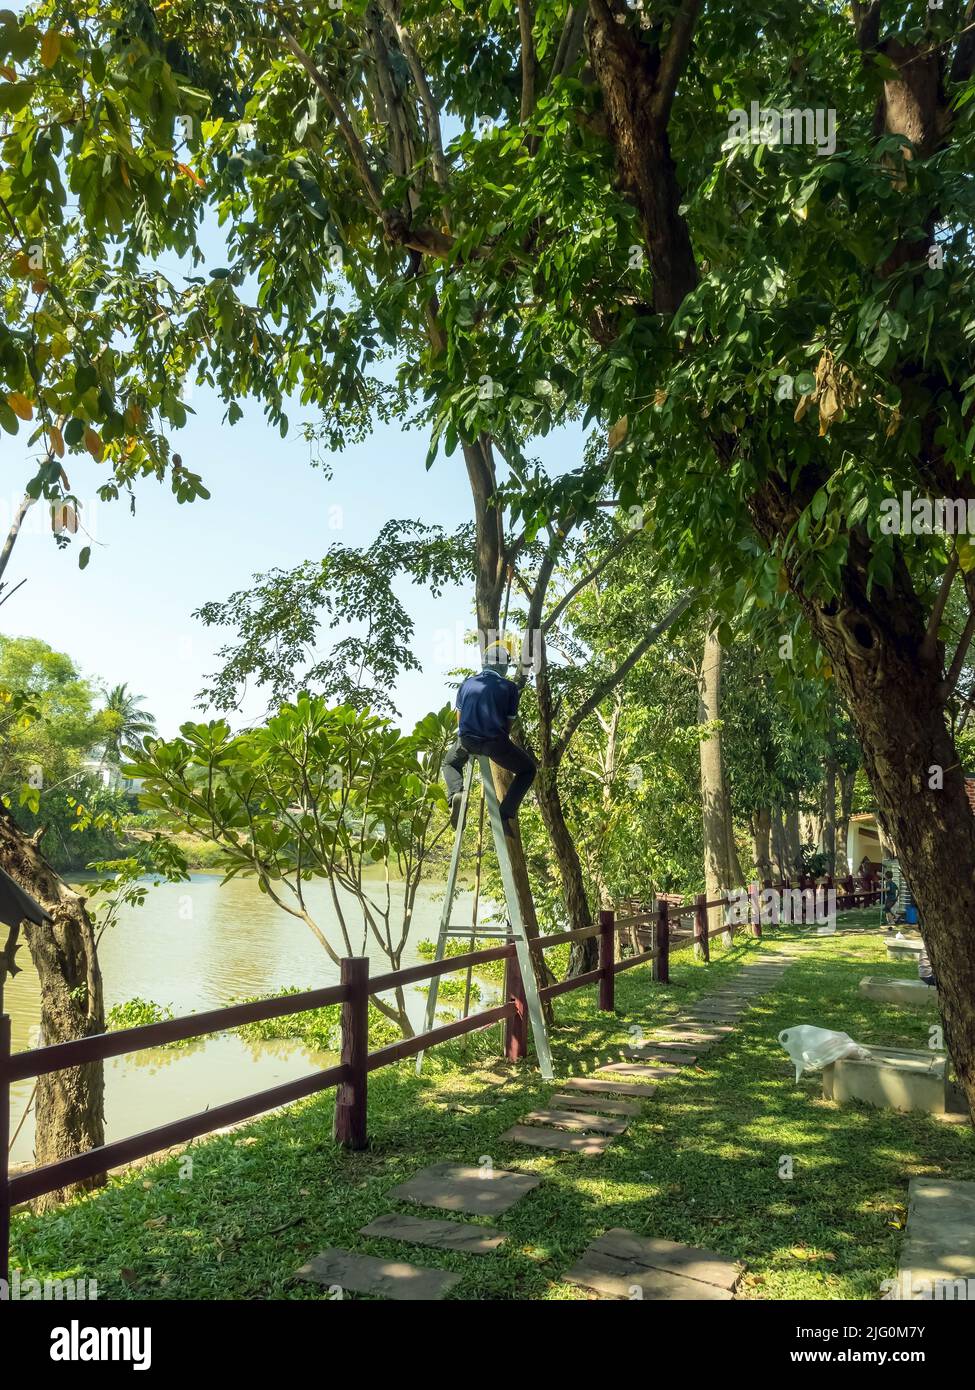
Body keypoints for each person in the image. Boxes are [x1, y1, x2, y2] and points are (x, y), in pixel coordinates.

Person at [442, 641, 536, 831]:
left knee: (450, 763)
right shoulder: (510, 688)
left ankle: (456, 794)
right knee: (528, 770)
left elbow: (459, 719)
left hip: (467, 741)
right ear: (504, 665)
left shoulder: (467, 683)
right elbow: (508, 724)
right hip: (495, 744)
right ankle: (504, 813)